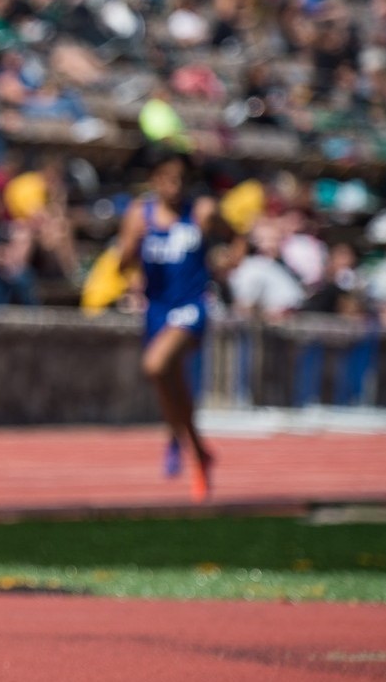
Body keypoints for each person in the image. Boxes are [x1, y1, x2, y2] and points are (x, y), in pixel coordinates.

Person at [114, 146, 238, 503]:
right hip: (157, 309)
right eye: (168, 178)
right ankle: (196, 449)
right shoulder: (141, 214)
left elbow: (237, 237)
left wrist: (229, 262)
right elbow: (123, 266)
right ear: (155, 180)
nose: (175, 185)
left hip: (192, 306)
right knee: (169, 383)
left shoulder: (201, 212)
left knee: (156, 365)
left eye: (182, 179)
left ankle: (179, 437)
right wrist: (131, 250)